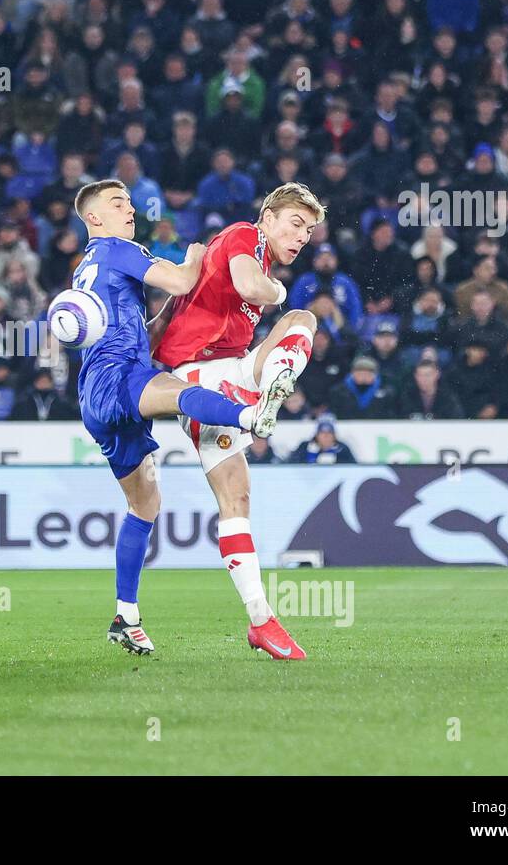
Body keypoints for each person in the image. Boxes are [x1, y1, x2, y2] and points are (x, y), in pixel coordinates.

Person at [72, 178, 293, 657]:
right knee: (181, 393)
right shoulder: (115, 247)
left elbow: (143, 328)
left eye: (129, 202)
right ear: (93, 219)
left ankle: (125, 616)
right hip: (118, 376)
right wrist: (192, 257)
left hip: (96, 390)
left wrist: (170, 312)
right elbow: (183, 279)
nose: (129, 209)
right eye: (117, 203)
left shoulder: (87, 268)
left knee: (145, 505)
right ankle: (251, 415)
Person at [151, 182, 325, 659]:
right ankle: (272, 389)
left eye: (308, 232)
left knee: (236, 499)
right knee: (299, 319)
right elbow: (252, 287)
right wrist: (280, 288)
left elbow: (181, 313)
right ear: (268, 217)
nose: (301, 238)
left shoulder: (248, 254)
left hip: (218, 378)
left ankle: (261, 621)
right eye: (295, 224)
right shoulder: (245, 237)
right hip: (203, 378)